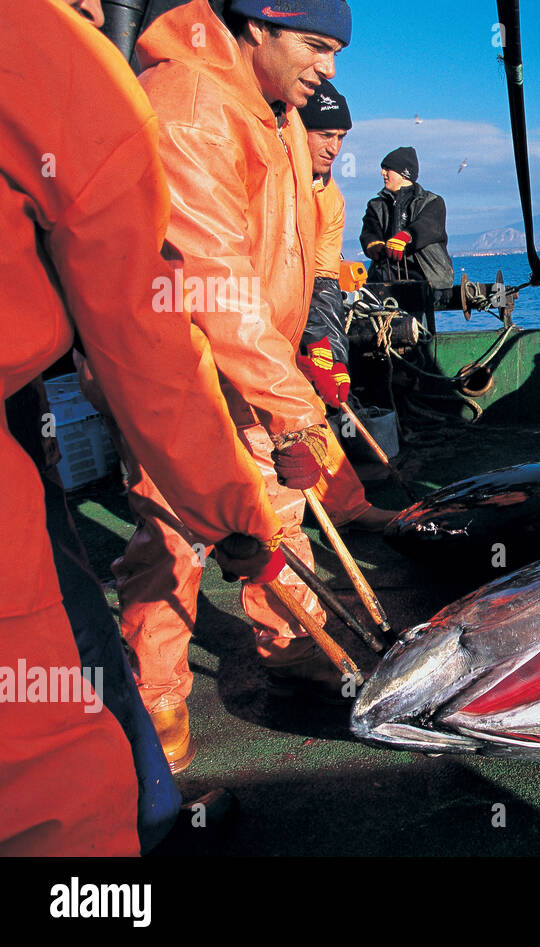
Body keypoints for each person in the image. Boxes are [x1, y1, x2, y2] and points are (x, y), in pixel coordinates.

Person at [1, 0, 285, 855]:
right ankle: (140, 821)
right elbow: (144, 335)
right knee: (46, 748)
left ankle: (153, 797)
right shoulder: (52, 54)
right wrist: (231, 510)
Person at [91, 0, 354, 771]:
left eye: (335, 49)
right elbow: (216, 282)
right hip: (168, 360)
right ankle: (156, 695)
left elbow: (283, 259)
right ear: (257, 27)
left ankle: (288, 640)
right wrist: (298, 412)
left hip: (244, 356)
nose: (328, 67)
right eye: (314, 44)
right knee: (177, 528)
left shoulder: (275, 110)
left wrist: (288, 384)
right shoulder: (193, 106)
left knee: (274, 503)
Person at [298, 78, 398, 532]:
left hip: (290, 320)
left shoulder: (330, 199)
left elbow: (322, 282)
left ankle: (347, 506)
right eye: (324, 135)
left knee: (309, 407)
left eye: (341, 138)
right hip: (237, 323)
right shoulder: (266, 184)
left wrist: (329, 353)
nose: (335, 148)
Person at [359, 146, 455, 313]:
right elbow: (369, 230)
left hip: (427, 280)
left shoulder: (432, 202)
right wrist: (373, 244)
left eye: (387, 168)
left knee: (418, 332)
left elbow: (429, 226)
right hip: (385, 281)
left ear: (404, 173)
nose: (383, 173)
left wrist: (405, 237)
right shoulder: (375, 205)